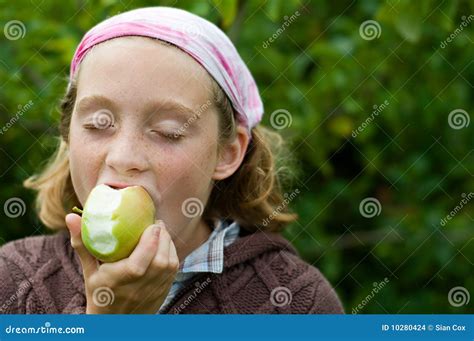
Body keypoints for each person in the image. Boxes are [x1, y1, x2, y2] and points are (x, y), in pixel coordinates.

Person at [0, 6, 343, 314]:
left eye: (168, 131)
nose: (124, 157)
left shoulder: (296, 304)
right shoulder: (13, 283)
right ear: (69, 133)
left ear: (228, 153)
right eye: (98, 124)